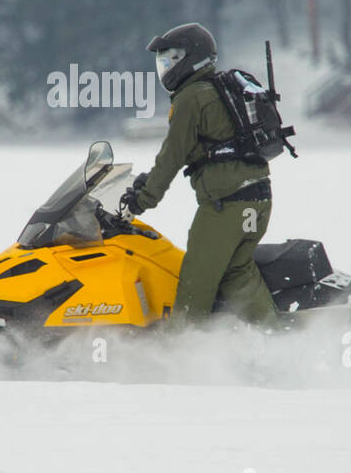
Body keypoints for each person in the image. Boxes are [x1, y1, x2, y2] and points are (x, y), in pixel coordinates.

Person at [120, 23, 279, 329]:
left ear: (193, 58)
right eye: (164, 61)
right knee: (237, 269)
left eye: (173, 58)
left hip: (226, 206)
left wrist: (143, 199)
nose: (167, 67)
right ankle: (277, 339)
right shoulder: (219, 89)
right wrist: (148, 181)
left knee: (196, 280)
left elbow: (172, 156)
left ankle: (184, 351)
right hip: (258, 197)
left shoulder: (190, 98)